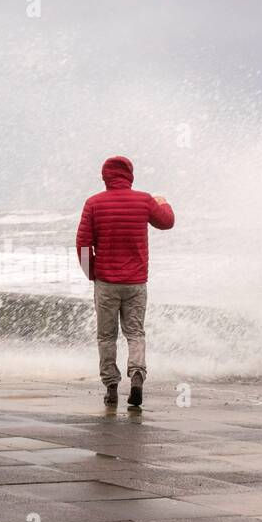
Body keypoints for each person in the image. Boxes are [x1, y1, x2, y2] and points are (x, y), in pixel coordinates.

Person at [75, 156, 174, 407]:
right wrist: (164, 203)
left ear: (105, 176)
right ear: (130, 175)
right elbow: (167, 222)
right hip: (136, 283)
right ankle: (138, 374)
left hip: (106, 282)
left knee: (106, 336)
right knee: (135, 333)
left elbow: (83, 245)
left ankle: (110, 386)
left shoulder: (94, 203)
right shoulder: (143, 200)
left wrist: (92, 274)